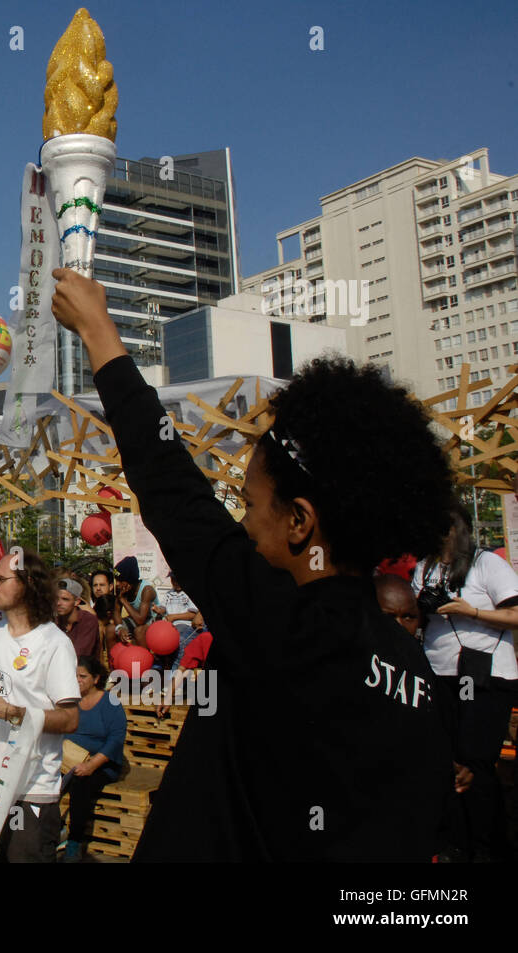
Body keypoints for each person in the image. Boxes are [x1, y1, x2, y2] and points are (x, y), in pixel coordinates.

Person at [51, 267, 455, 861]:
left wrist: (99, 332)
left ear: (300, 521)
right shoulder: (412, 672)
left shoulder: (281, 622)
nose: (239, 525)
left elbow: (172, 486)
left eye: (249, 505)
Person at [0, 549, 81, 862]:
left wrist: (11, 713)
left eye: (0, 579)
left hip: (31, 791)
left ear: (27, 584)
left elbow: (69, 719)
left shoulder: (54, 643)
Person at [412, 504, 518, 861]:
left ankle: (488, 848)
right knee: (448, 762)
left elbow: (516, 614)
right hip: (439, 673)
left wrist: (469, 611)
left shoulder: (486, 563)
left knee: (476, 762)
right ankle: (456, 843)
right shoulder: (424, 566)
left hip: (484, 675)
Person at [375, 573, 473, 801]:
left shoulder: (427, 675)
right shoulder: (347, 667)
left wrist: (455, 769)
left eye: (408, 617)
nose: (399, 626)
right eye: (389, 617)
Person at [60, 655, 126, 862]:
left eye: (83, 676)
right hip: (66, 758)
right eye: (74, 676)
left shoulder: (110, 701)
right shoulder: (67, 700)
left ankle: (74, 842)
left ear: (96, 679)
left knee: (81, 782)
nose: (77, 680)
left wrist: (91, 765)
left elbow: (116, 738)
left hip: (100, 763)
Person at [53, 576, 99, 662]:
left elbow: (80, 654)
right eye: (56, 599)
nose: (58, 603)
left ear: (77, 601)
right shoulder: (54, 622)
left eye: (65, 599)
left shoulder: (88, 621)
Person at [113, 555, 159, 629]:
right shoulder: (121, 588)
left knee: (138, 631)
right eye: (116, 580)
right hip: (136, 618)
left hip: (153, 620)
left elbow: (141, 620)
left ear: (130, 581)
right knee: (110, 629)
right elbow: (116, 612)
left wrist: (123, 600)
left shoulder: (147, 590)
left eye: (120, 580)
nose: (117, 583)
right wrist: (120, 628)